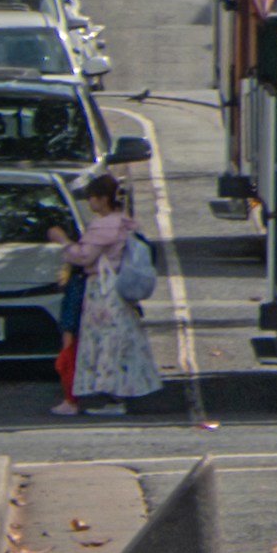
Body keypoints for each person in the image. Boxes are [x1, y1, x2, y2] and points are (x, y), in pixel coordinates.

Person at [62, 175, 167, 412]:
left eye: (91, 198)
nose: (89, 203)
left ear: (102, 199)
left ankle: (114, 397)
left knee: (107, 342)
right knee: (121, 341)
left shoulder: (104, 225)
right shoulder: (125, 222)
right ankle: (121, 393)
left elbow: (84, 256)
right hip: (118, 288)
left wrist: (64, 243)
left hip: (103, 291)